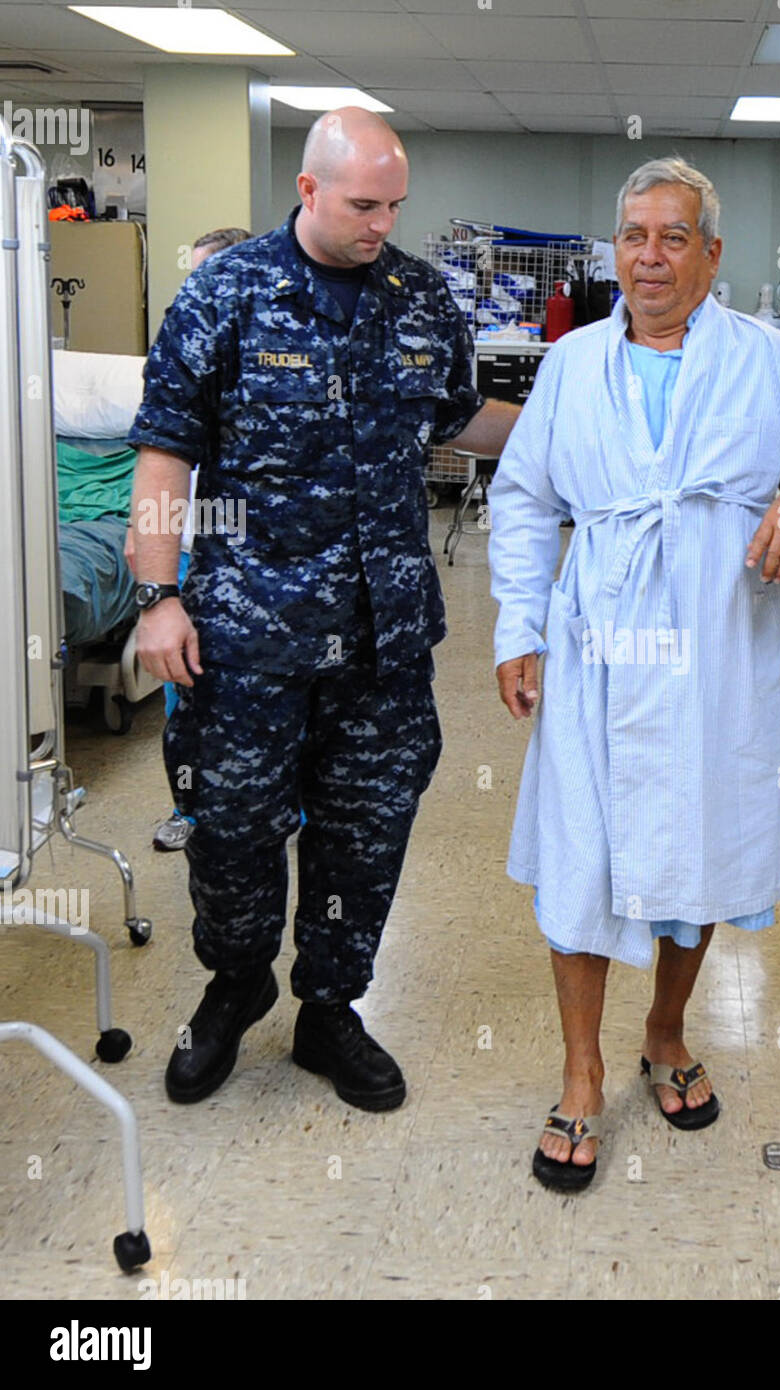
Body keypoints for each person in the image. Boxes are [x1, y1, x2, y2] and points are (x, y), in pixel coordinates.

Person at [128, 108, 520, 1111]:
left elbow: (459, 417)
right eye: (363, 204)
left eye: (395, 203)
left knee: (366, 829)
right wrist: (159, 595)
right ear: (308, 190)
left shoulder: (421, 296)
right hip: (246, 632)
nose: (382, 221)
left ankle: (330, 1008)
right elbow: (166, 450)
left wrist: (580, 425)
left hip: (383, 638)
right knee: (231, 825)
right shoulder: (228, 292)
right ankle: (235, 981)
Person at [489, 157, 780, 1190]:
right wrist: (519, 625)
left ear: (712, 253)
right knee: (585, 846)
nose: (651, 256)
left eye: (674, 236)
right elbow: (521, 499)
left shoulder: (763, 354)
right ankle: (580, 1069)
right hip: (599, 630)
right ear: (618, 251)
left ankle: (664, 1028)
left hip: (714, 627)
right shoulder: (570, 364)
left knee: (701, 836)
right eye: (635, 236)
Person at [144, 226, 252, 853]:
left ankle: (280, 807)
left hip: (241, 563)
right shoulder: (180, 354)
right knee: (184, 697)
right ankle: (188, 805)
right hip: (181, 551)